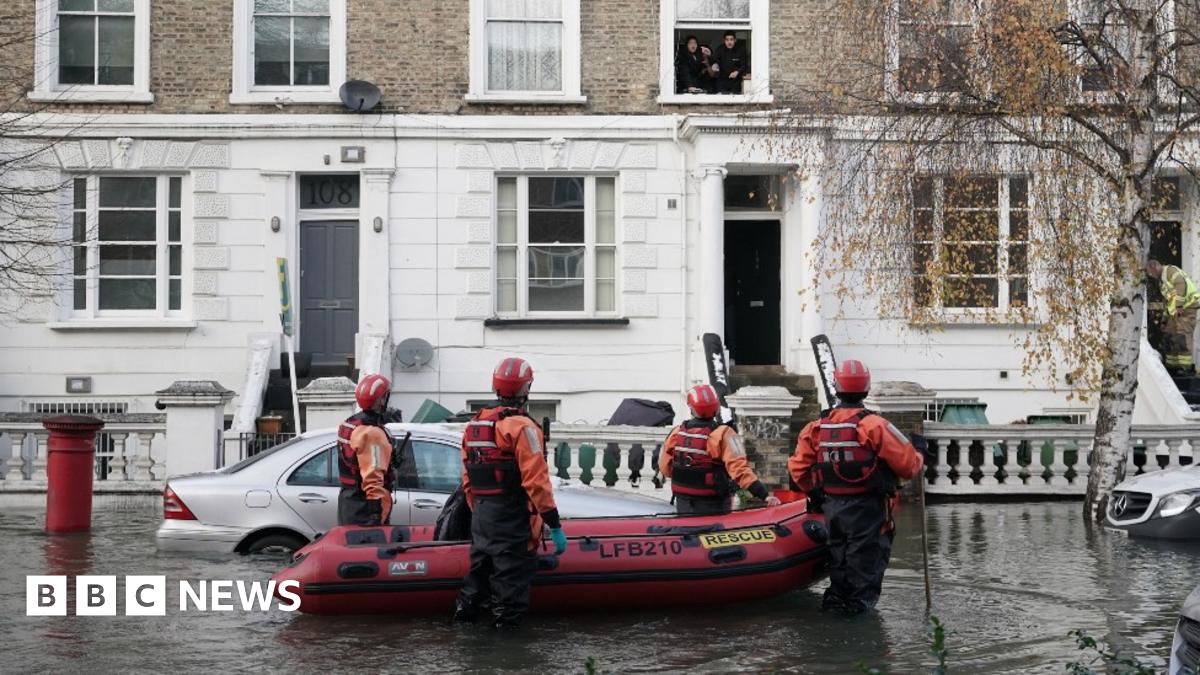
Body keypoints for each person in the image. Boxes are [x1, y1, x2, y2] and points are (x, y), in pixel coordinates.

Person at [788, 360, 923, 614]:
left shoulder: (816, 427)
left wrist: (817, 494)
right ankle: (859, 618)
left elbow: (798, 470)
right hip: (869, 510)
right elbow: (908, 466)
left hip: (833, 509)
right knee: (866, 567)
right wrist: (920, 452)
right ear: (866, 388)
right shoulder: (875, 425)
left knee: (838, 561)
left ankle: (834, 607)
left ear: (836, 386)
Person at [454, 357, 567, 628]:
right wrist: (553, 523)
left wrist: (479, 509)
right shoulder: (523, 427)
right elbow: (536, 480)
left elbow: (467, 476)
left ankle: (465, 629)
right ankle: (507, 645)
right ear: (526, 388)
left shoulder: (475, 424)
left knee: (477, 581)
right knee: (510, 591)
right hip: (512, 518)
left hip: (482, 516)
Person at [659, 384, 782, 515]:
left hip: (683, 504)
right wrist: (764, 495)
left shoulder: (677, 432)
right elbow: (740, 469)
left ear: (691, 408)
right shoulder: (725, 434)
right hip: (714, 505)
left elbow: (665, 468)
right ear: (717, 407)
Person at [337, 374, 397, 526]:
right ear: (381, 400)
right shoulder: (372, 433)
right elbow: (373, 476)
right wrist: (376, 515)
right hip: (365, 509)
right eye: (386, 396)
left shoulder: (351, 423)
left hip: (348, 501)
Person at [1148, 259, 1200, 375]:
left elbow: (1181, 284)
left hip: (1186, 308)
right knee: (1170, 335)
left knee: (1182, 336)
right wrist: (1164, 320)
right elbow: (1168, 301)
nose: (1151, 276)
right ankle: (1172, 365)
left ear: (1154, 267)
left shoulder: (1170, 271)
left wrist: (1179, 305)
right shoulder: (1162, 282)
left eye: (1150, 273)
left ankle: (1185, 367)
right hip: (1174, 312)